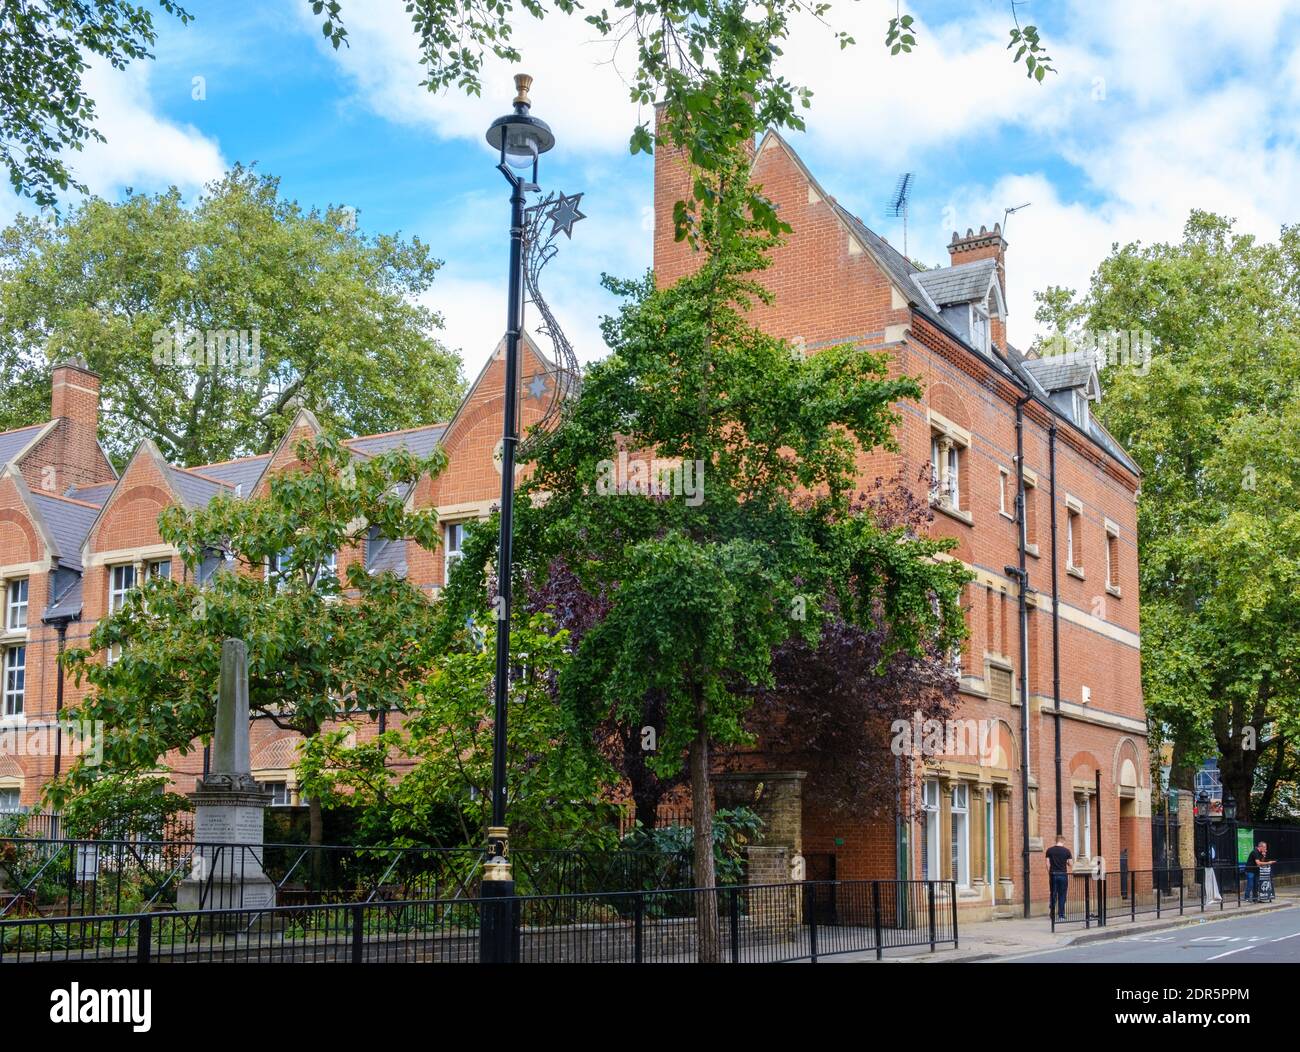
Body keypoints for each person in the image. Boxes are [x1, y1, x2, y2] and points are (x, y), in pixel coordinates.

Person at [1046, 835, 1073, 921]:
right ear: (1063, 841)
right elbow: (1070, 863)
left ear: (1056, 841)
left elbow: (1047, 864)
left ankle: (1052, 913)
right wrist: (1067, 863)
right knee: (1062, 895)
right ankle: (1061, 915)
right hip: (1063, 875)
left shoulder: (1049, 850)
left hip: (1053, 874)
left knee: (1053, 893)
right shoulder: (1067, 851)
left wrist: (1049, 873)